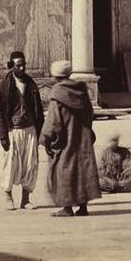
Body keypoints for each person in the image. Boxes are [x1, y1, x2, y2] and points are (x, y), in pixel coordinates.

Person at [42, 58, 101, 216]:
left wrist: (46, 139)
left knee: (64, 171)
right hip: (82, 138)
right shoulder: (82, 91)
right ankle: (83, 207)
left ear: (55, 76)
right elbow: (90, 113)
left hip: (65, 140)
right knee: (81, 170)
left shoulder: (57, 93)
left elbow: (54, 122)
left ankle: (67, 208)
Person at [0, 50, 43, 211]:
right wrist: (2, 135)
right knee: (9, 164)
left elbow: (38, 109)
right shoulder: (2, 87)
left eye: (23, 65)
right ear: (11, 66)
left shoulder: (31, 85)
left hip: (29, 130)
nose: (22, 68)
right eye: (18, 65)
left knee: (30, 164)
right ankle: (8, 197)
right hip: (12, 131)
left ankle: (25, 200)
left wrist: (40, 131)